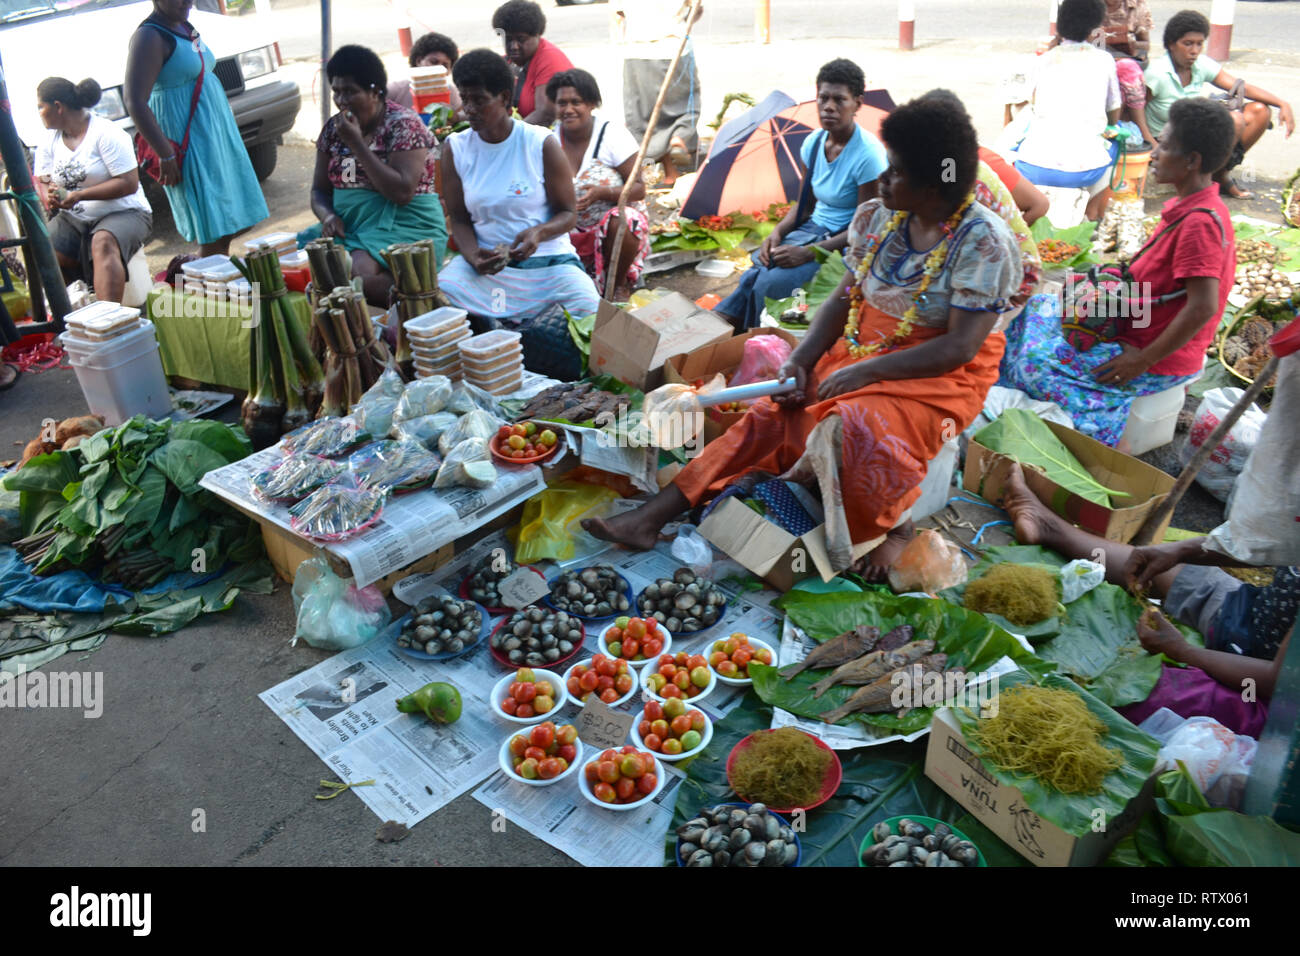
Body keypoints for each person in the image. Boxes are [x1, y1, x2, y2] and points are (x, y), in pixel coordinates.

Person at [585, 96, 1022, 581]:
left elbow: (959, 349)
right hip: (861, 347)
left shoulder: (984, 242)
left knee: (851, 421)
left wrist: (865, 371)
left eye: (895, 172)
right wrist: (803, 359)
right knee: (773, 409)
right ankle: (654, 516)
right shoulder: (879, 218)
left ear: (932, 185)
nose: (882, 180)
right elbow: (840, 300)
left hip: (939, 374)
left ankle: (889, 528)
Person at [999, 97, 1237, 448]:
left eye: (1165, 146)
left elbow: (1202, 306)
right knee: (1030, 314)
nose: (1154, 153)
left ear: (1192, 161)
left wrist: (1142, 360)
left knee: (1033, 361)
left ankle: (1088, 437)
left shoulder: (1200, 224)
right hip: (1131, 320)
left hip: (1153, 354)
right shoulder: (1189, 207)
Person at [713, 59, 885, 332]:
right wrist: (777, 233)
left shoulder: (868, 156)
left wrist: (808, 253)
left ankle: (753, 337)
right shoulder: (814, 144)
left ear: (858, 103)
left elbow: (866, 229)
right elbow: (804, 207)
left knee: (769, 284)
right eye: (823, 98)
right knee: (758, 267)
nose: (829, 106)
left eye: (840, 100)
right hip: (812, 230)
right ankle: (735, 334)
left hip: (845, 244)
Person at [438, 50, 598, 325]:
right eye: (465, 100)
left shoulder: (539, 143)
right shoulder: (456, 148)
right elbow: (460, 220)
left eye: (479, 100)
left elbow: (568, 214)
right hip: (488, 267)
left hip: (548, 263)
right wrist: (475, 256)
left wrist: (538, 232)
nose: (469, 110)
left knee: (589, 307)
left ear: (503, 98)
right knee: (440, 294)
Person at [300, 45, 446, 307]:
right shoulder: (334, 131)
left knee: (352, 274)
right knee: (315, 263)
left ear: (375, 91)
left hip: (405, 223)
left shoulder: (403, 125)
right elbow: (319, 191)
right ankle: (410, 294)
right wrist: (328, 215)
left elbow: (402, 193)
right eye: (337, 92)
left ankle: (423, 298)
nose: (342, 101)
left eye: (350, 92)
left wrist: (357, 144)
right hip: (353, 226)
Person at [124, 0, 267, 256]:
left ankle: (205, 274)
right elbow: (134, 101)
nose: (185, 2)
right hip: (186, 141)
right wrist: (165, 153)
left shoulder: (185, 26)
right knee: (213, 225)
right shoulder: (149, 37)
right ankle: (206, 280)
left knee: (233, 217)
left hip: (213, 135)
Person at [1145, 9, 1295, 200]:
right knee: (1233, 119)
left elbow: (1241, 87)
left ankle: (1219, 173)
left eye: (1199, 44)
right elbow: (1135, 110)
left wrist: (1282, 104)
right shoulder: (1157, 73)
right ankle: (1214, 176)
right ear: (1171, 45)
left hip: (1192, 134)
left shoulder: (1200, 64)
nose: (1194, 51)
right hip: (1166, 141)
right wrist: (1150, 143)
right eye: (1187, 44)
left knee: (1259, 112)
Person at [34, 77, 152, 304]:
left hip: (126, 212)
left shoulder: (106, 133)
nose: (39, 113)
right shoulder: (49, 140)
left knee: (103, 241)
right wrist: (49, 194)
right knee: (45, 247)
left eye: (41, 106)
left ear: (58, 107)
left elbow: (129, 183)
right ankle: (75, 316)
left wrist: (78, 195)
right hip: (74, 216)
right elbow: (44, 178)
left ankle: (108, 322)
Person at [1008, 0, 1121, 222]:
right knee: (1119, 139)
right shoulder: (1105, 60)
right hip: (1087, 171)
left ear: (1060, 26)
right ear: (1095, 28)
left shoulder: (1044, 60)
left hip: (1033, 167)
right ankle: (1092, 212)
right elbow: (1114, 111)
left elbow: (1027, 102)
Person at [548, 69, 648, 300]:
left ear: (592, 104)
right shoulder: (550, 140)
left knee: (625, 220)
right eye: (562, 103)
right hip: (571, 229)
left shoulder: (611, 135)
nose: (568, 110)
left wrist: (602, 193)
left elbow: (639, 188)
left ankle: (618, 284)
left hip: (612, 229)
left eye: (576, 102)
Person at [615, 1, 703, 185]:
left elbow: (620, 17)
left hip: (636, 51)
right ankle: (679, 137)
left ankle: (670, 170)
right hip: (673, 47)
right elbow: (695, 10)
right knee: (685, 103)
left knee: (645, 115)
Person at [492, 0, 572, 126]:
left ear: (537, 34)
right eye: (508, 39)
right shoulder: (506, 62)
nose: (514, 46)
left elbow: (545, 114)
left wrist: (511, 138)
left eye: (521, 39)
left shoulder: (550, 59)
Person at [1101, 0, 1155, 146]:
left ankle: (1141, 131)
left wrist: (1126, 41)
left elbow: (1145, 45)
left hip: (1130, 60)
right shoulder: (1086, 5)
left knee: (1126, 68)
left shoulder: (1136, 6)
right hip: (1095, 61)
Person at [387, 32, 463, 118]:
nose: (439, 69)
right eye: (434, 62)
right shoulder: (396, 90)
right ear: (418, 61)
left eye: (445, 65)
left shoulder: (452, 93)